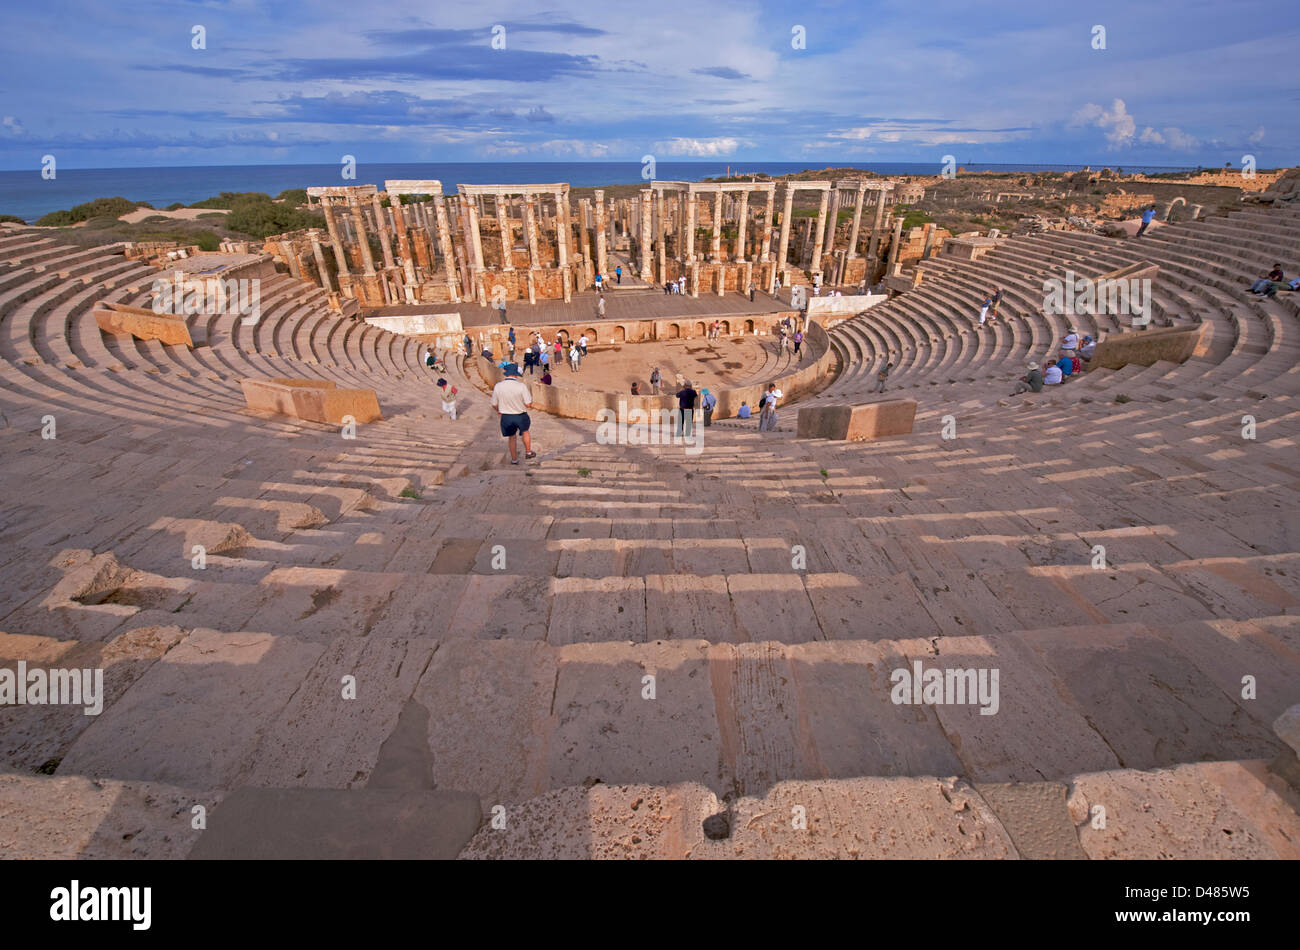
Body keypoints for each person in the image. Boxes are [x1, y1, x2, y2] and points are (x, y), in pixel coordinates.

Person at [490, 364, 535, 465]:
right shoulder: (521, 386)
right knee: (525, 432)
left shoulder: (498, 386)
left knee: (512, 437)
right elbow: (528, 404)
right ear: (516, 375)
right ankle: (528, 452)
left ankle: (514, 459)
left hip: (506, 416)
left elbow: (493, 404)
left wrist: (499, 411)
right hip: (520, 415)